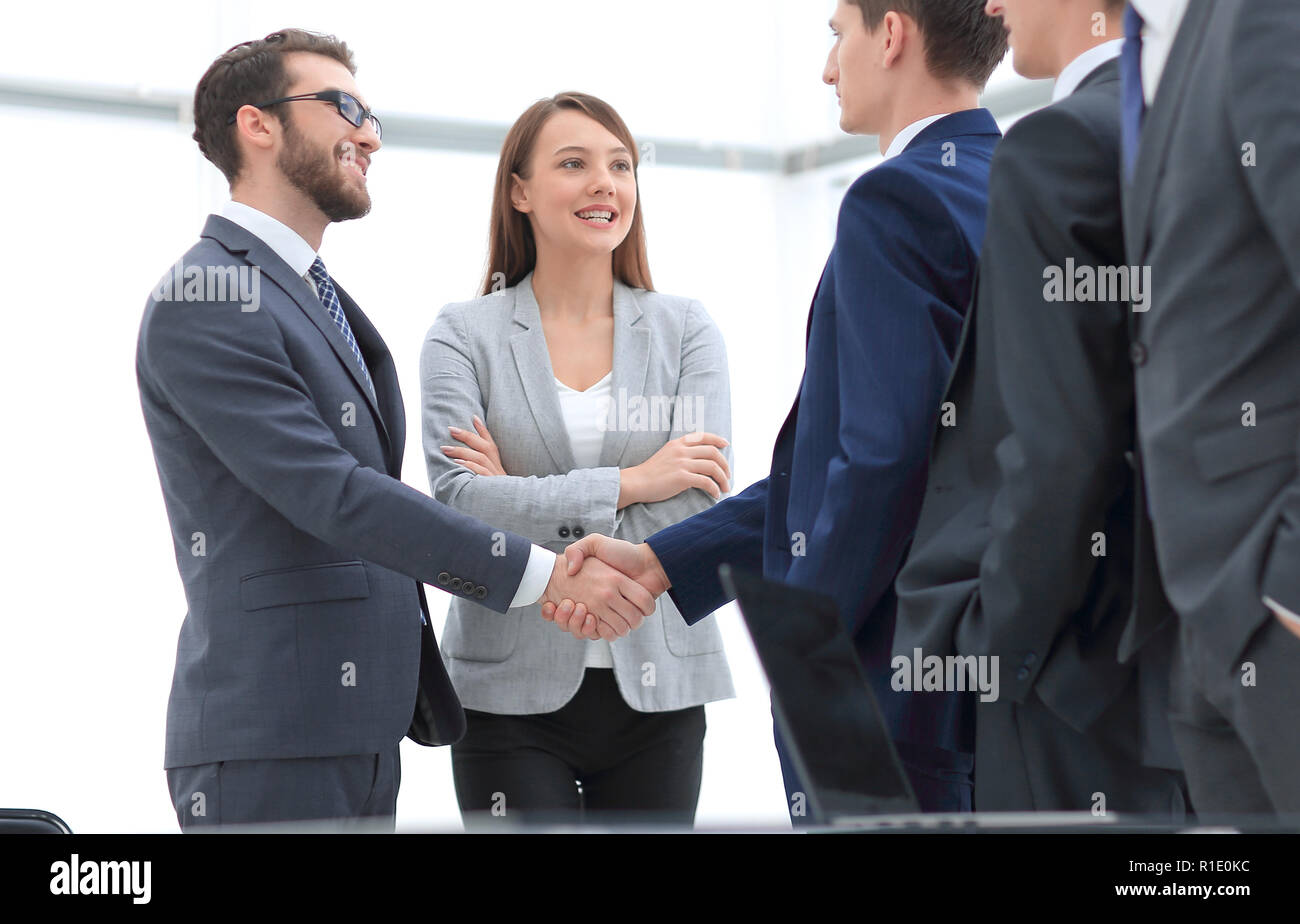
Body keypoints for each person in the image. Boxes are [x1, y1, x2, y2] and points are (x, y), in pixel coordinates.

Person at [135, 30, 654, 831]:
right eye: (343, 107)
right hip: (275, 733)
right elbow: (335, 494)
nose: (370, 133)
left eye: (371, 113)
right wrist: (548, 576)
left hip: (354, 725)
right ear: (257, 125)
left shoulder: (306, 293)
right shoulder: (210, 295)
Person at [549, 0, 1007, 817]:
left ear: (892, 34)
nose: (829, 67)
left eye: (838, 36)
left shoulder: (893, 200)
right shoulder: (1019, 183)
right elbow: (899, 454)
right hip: (997, 673)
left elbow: (878, 461)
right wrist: (662, 562)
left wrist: (805, 648)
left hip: (885, 686)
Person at [893, 0, 1187, 815]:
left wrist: (1003, 642)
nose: (992, 4)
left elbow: (1063, 444)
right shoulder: (1207, 123)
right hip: (1204, 663)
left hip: (1075, 671)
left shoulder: (1060, 144)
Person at [419, 92, 736, 828]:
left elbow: (700, 499)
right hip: (507, 698)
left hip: (660, 686)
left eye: (621, 165)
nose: (606, 183)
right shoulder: (464, 335)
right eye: (575, 164)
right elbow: (460, 504)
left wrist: (521, 496)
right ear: (520, 191)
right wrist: (633, 480)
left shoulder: (686, 329)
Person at [1120, 0, 1300, 815]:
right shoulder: (1166, 44)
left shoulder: (1262, 16)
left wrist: (1286, 585)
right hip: (1199, 621)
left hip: (1269, 603)